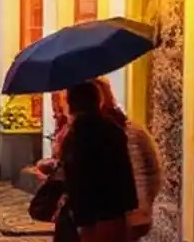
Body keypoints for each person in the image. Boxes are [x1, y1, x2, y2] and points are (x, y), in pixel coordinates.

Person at [58, 81, 138, 242]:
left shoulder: (74, 136)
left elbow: (74, 180)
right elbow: (125, 175)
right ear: (97, 101)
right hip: (114, 212)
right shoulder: (113, 130)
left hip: (87, 216)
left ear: (71, 105)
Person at [94, 78, 163, 240]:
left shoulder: (120, 131)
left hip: (121, 216)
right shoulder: (129, 128)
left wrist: (141, 207)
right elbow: (155, 169)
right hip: (130, 214)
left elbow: (146, 172)